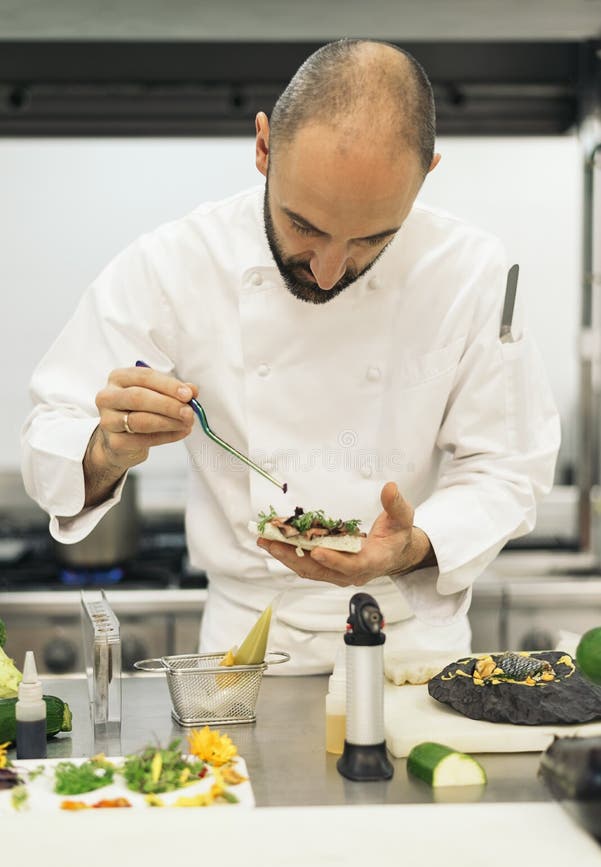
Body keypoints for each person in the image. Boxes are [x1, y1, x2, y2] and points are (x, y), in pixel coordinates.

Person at [21, 39, 560, 674]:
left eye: (371, 238)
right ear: (263, 147)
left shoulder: (471, 271)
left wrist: (412, 547)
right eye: (305, 226)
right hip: (248, 645)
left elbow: (508, 468)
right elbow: (47, 438)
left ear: (427, 174)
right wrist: (107, 450)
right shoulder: (173, 265)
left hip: (414, 648)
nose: (330, 273)